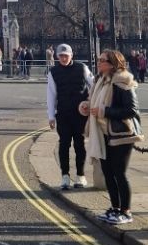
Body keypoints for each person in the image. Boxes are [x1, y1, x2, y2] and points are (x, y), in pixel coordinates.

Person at [80, 49, 142, 224]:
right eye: (99, 60)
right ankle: (115, 209)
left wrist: (103, 111)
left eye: (102, 60)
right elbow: (95, 102)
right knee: (108, 172)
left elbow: (131, 110)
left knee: (119, 173)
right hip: (103, 133)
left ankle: (126, 211)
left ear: (113, 64)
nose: (99, 63)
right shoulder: (101, 80)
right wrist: (86, 106)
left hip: (121, 134)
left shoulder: (122, 81)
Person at [46, 43, 94, 189]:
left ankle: (80, 176)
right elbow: (51, 95)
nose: (63, 58)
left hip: (80, 114)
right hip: (63, 114)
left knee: (79, 145)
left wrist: (91, 103)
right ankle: (65, 177)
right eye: (61, 56)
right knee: (64, 144)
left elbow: (94, 85)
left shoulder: (82, 68)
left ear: (71, 55)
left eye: (66, 55)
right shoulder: (53, 72)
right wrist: (51, 116)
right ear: (57, 56)